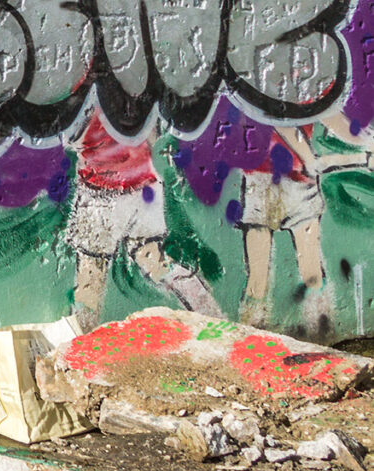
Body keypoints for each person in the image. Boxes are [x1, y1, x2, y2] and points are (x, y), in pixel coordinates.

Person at [64, 105, 217, 324]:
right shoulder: (137, 85)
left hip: (101, 193)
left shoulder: (84, 88)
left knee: (91, 274)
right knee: (156, 260)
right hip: (146, 187)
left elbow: (65, 135)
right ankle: (211, 314)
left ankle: (82, 345)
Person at [238, 113, 374, 335]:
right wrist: (311, 159)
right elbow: (279, 117)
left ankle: (318, 335)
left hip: (294, 184)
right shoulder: (263, 85)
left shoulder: (312, 88)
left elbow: (331, 117)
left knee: (310, 276)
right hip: (263, 181)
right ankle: (249, 339)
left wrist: (369, 142)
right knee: (259, 280)